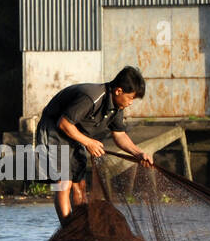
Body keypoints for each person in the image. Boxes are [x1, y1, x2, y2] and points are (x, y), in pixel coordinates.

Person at [36, 66, 154, 224]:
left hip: (75, 133)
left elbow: (119, 135)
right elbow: (63, 123)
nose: (131, 103)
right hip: (54, 129)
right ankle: (67, 230)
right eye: (131, 98)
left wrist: (138, 154)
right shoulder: (92, 97)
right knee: (63, 182)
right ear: (118, 91)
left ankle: (80, 227)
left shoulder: (117, 107)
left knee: (80, 185)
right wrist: (89, 142)